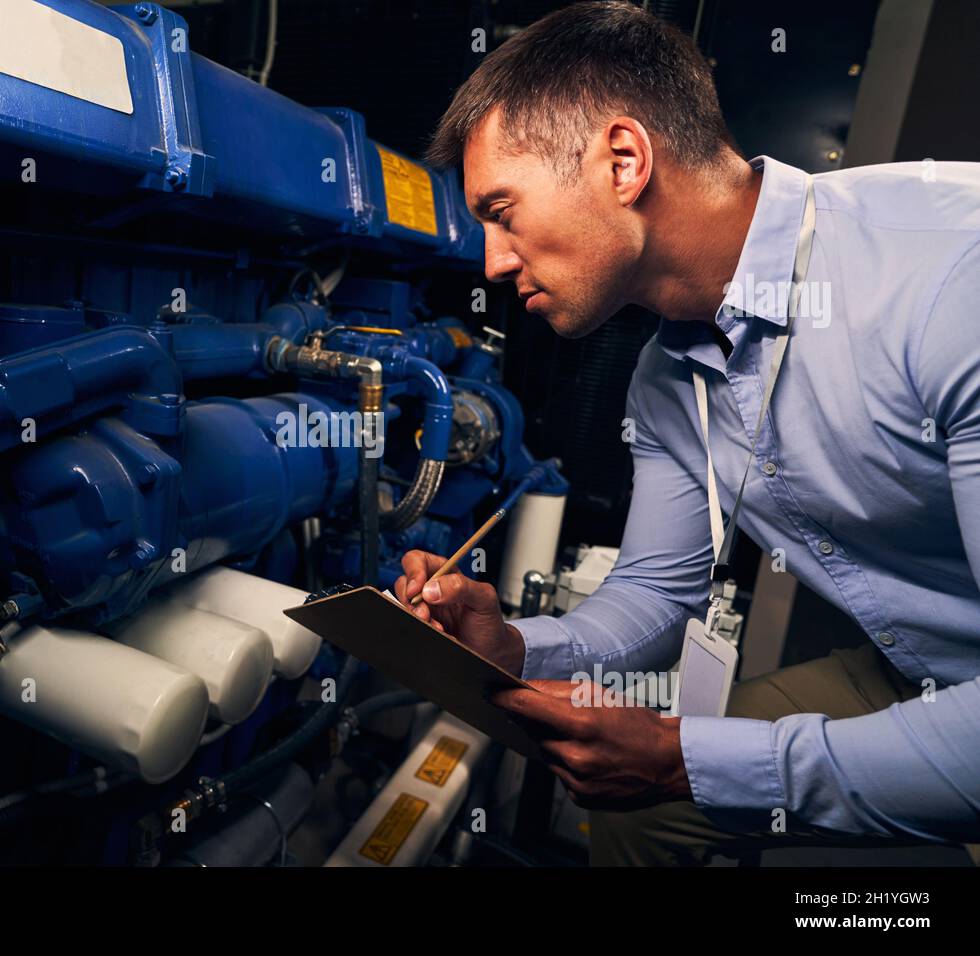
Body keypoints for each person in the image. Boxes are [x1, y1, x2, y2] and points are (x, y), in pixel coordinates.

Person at [396, 0, 980, 865]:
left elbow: (694, 762)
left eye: (503, 210)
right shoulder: (666, 379)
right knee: (633, 813)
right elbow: (653, 602)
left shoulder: (946, 282)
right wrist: (515, 645)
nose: (491, 262)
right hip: (922, 663)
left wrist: (686, 762)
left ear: (623, 161)